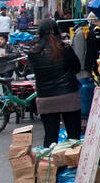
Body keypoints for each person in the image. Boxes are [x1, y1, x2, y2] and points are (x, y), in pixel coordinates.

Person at [27, 19, 82, 148]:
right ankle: (72, 164)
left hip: (46, 98)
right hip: (68, 96)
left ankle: (50, 166)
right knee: (73, 137)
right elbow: (77, 68)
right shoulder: (66, 49)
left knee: (50, 137)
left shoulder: (33, 53)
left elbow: (34, 71)